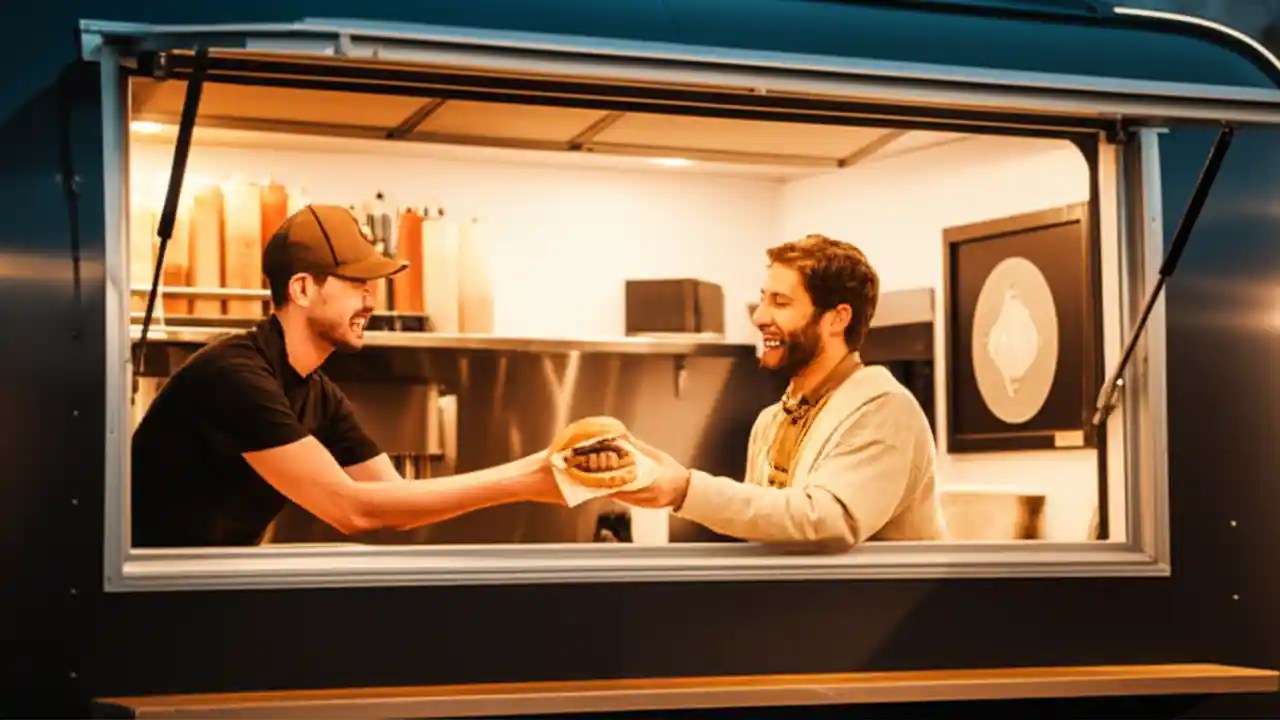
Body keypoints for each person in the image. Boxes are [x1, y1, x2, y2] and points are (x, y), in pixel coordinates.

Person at [130, 205, 562, 547]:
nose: (370, 301)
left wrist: (543, 469)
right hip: (138, 600)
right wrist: (526, 479)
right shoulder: (233, 375)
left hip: (196, 595)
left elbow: (395, 500)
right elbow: (351, 509)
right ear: (301, 288)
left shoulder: (318, 394)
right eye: (357, 283)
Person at [615, 234, 947, 550]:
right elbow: (763, 531)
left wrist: (685, 489)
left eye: (781, 302)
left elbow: (827, 522)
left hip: (883, 610)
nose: (760, 317)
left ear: (837, 318)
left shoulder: (884, 409)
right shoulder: (771, 421)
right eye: (763, 300)